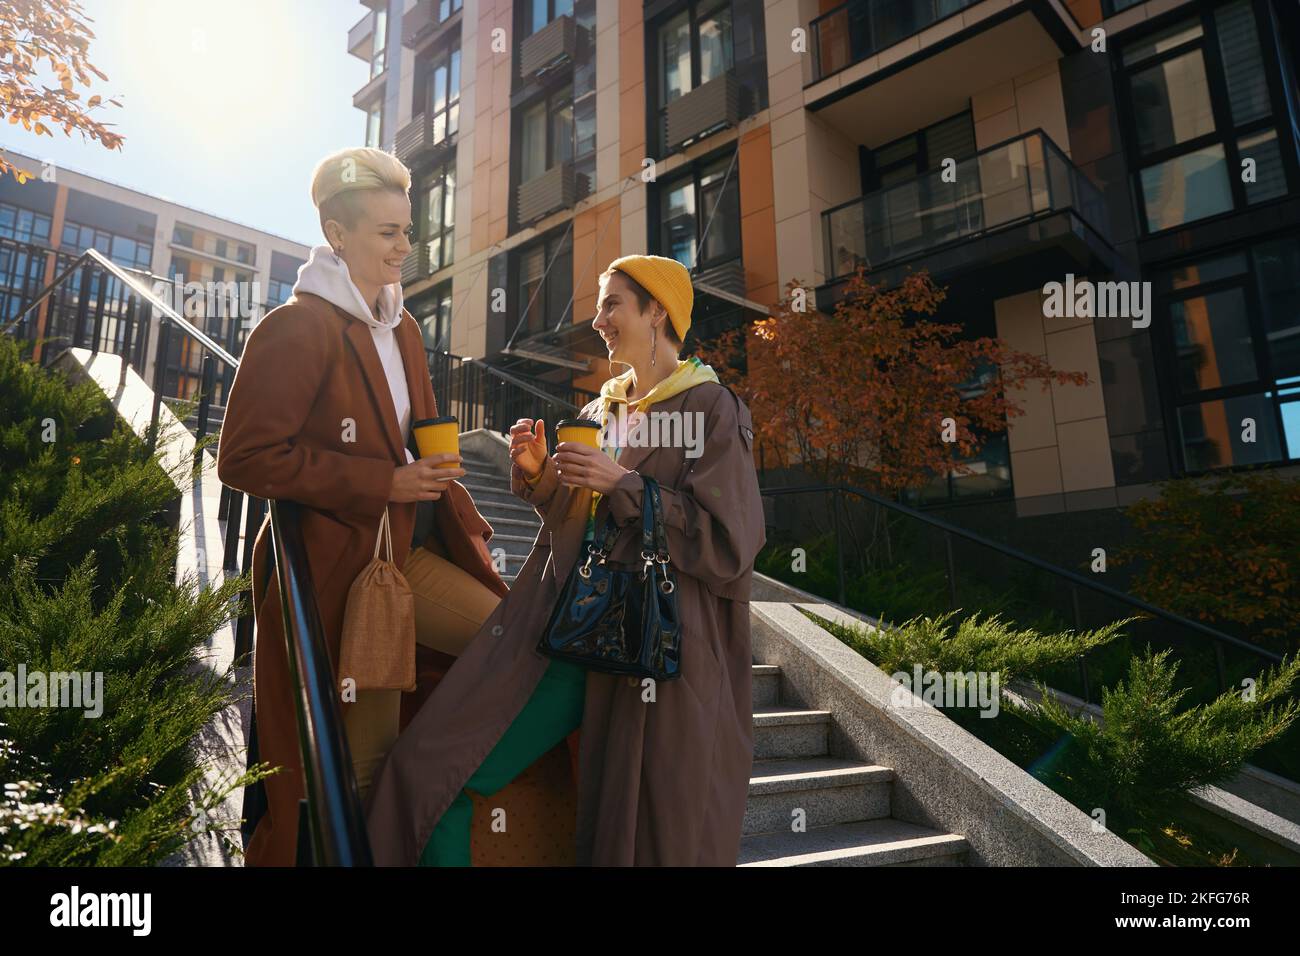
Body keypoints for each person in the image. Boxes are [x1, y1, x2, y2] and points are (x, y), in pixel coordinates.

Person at [217, 146, 565, 866]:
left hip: (413, 555)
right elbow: (245, 458)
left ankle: (456, 809)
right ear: (337, 235)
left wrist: (437, 473)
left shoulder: (402, 328)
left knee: (522, 647)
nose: (405, 246)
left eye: (408, 231)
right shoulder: (296, 327)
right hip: (342, 578)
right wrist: (384, 482)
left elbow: (415, 436)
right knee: (364, 759)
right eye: (387, 232)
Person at [366, 253, 766, 865]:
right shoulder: (598, 412)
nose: (598, 319)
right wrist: (541, 481)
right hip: (571, 627)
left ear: (657, 310)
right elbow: (578, 526)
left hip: (657, 650)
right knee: (429, 772)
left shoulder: (710, 407)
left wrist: (621, 484)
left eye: (612, 304)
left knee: (647, 835)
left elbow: (730, 543)